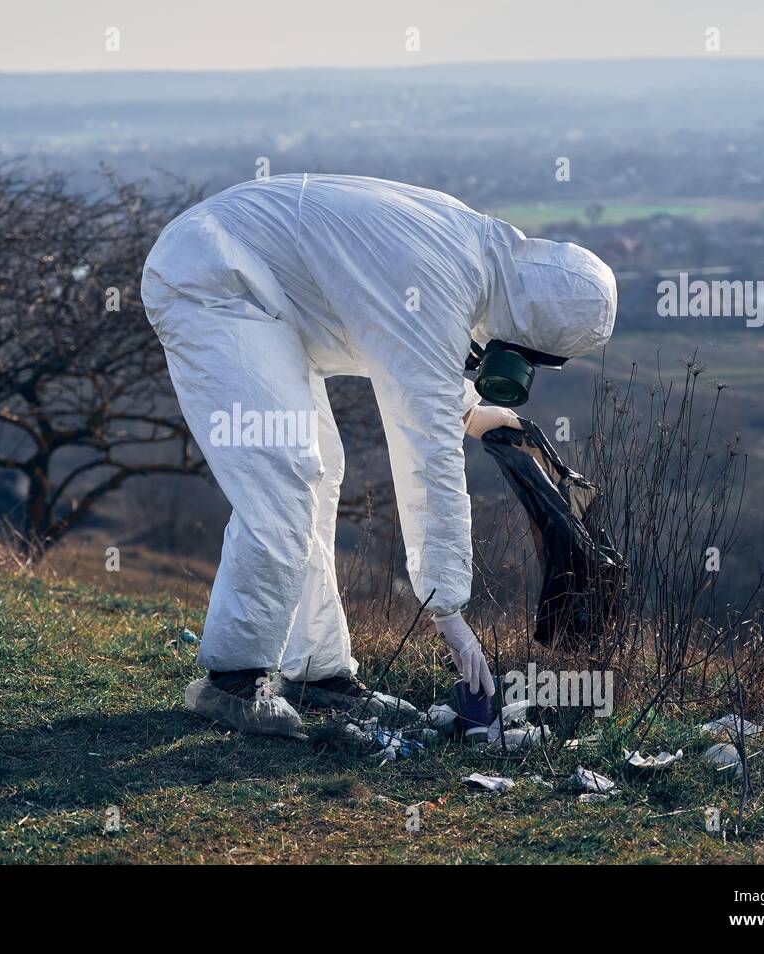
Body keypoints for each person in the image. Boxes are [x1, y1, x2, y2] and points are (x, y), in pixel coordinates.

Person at [141, 174, 616, 737]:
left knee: (319, 471)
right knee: (285, 475)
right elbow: (427, 454)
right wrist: (448, 608)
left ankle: (318, 673)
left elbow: (417, 363)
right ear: (533, 321)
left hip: (254, 282)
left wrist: (475, 412)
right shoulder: (441, 279)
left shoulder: (473, 251)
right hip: (215, 281)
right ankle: (231, 682)